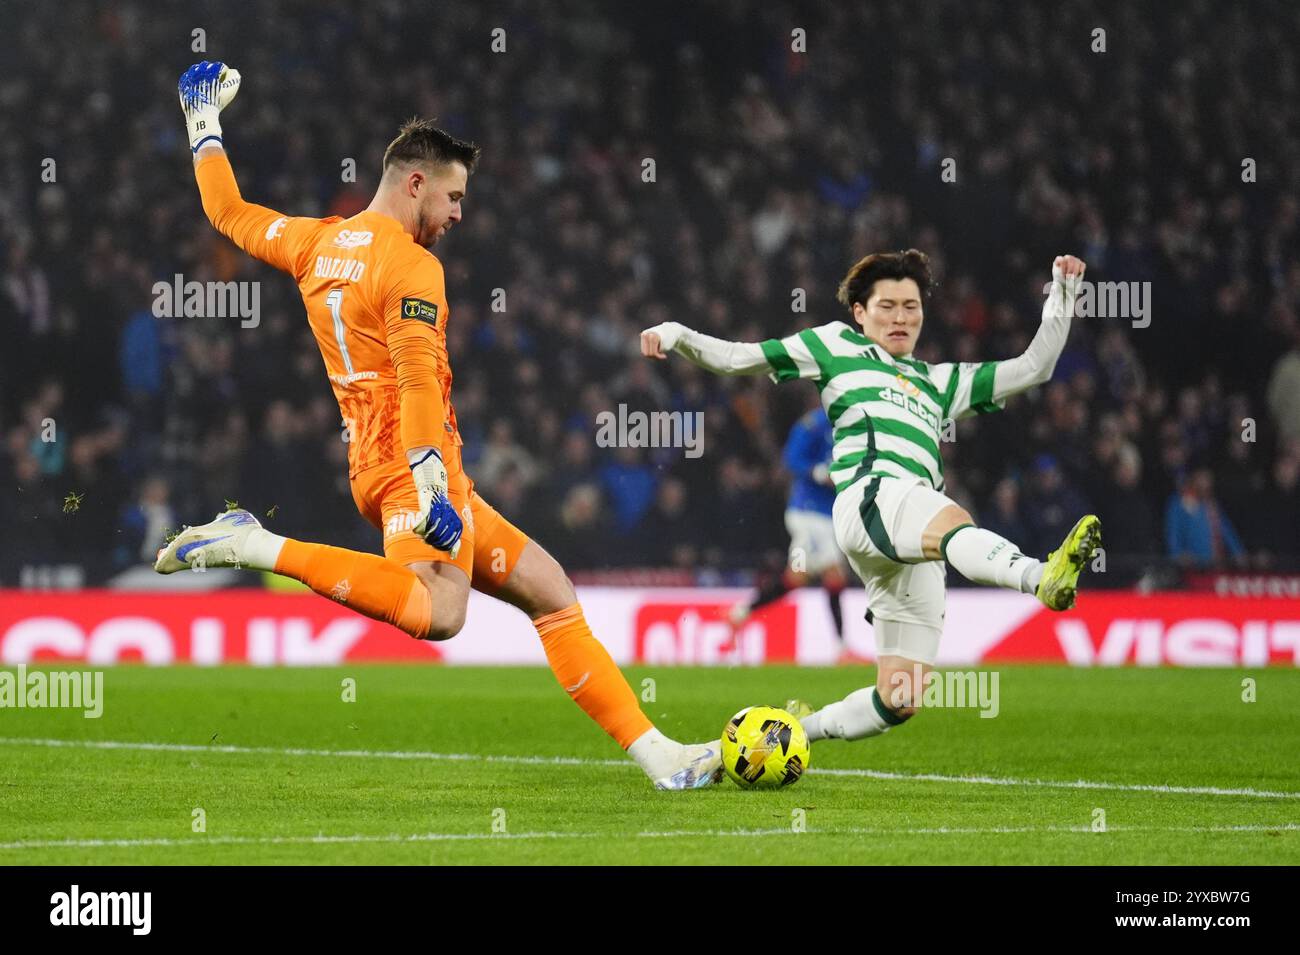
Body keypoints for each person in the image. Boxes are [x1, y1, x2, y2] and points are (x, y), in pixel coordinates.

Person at [154, 61, 721, 790]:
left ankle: (660, 757)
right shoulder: (412, 267)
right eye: (453, 196)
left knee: (551, 590)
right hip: (410, 466)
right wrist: (429, 482)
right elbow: (417, 376)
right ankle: (253, 541)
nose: (458, 213)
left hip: (391, 459)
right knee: (439, 613)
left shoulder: (314, 241)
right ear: (413, 182)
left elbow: (226, 212)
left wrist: (204, 124)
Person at [641, 248, 1100, 745]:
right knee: (954, 520)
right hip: (872, 498)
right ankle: (1040, 576)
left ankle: (783, 733)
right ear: (860, 313)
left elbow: (1035, 367)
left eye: (911, 306)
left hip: (909, 539)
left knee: (900, 698)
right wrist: (676, 333)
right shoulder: (835, 346)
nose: (901, 317)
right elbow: (739, 358)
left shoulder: (939, 383)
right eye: (887, 306)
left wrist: (1064, 293)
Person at [726, 406, 855, 661]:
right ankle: (842, 649)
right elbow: (791, 458)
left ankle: (740, 612)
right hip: (808, 513)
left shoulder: (853, 427)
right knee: (834, 574)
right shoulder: (814, 422)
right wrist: (818, 472)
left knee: (795, 579)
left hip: (825, 515)